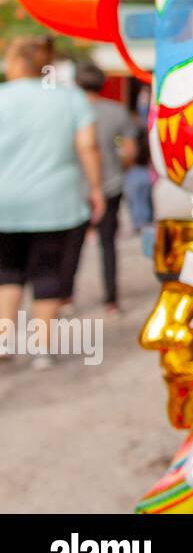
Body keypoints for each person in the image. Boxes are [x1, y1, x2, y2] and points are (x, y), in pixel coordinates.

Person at [0, 38, 105, 369]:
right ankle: (41, 349)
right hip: (55, 202)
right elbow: (88, 146)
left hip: (5, 202)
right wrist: (97, 188)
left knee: (7, 273)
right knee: (48, 272)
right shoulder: (69, 97)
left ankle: (4, 342)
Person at [75, 62, 138, 313]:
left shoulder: (70, 111)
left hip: (75, 186)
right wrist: (119, 165)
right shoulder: (117, 111)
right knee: (108, 244)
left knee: (71, 245)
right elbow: (130, 150)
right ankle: (111, 299)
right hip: (110, 184)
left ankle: (64, 295)